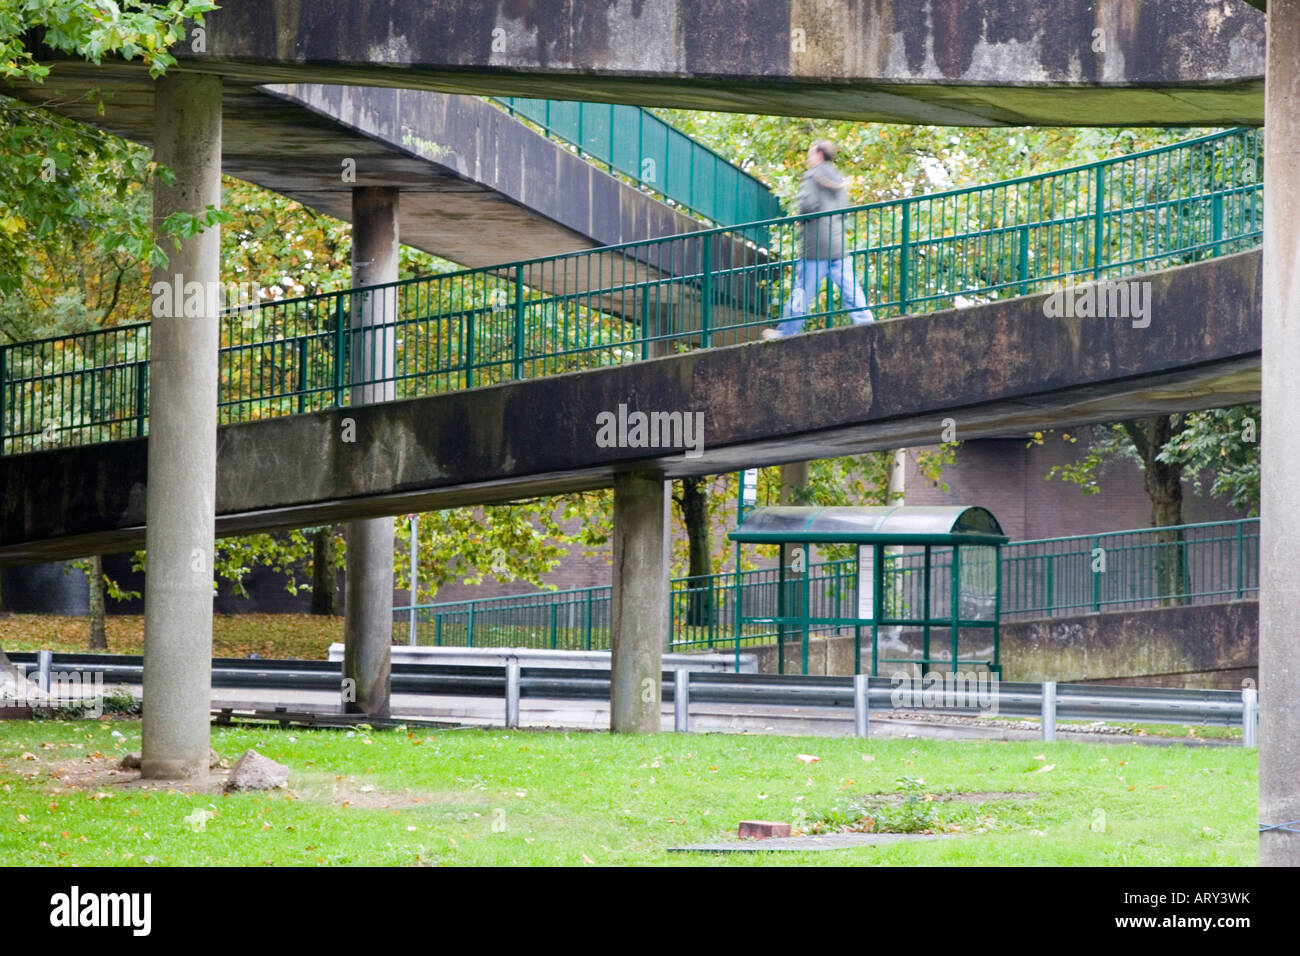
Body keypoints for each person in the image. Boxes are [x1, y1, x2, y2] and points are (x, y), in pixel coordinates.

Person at [762, 139, 874, 339]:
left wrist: (799, 219)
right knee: (850, 288)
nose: (808, 157)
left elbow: (807, 205)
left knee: (802, 291)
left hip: (815, 246)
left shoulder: (812, 177)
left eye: (810, 153)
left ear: (819, 155)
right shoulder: (840, 180)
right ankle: (867, 324)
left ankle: (786, 332)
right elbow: (844, 211)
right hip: (837, 242)